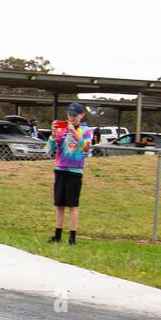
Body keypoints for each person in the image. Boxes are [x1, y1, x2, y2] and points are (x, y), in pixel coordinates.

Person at [47, 102, 94, 245]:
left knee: (72, 205)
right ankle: (57, 235)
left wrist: (75, 133)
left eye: (75, 115)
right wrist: (53, 134)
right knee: (59, 204)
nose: (71, 117)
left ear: (81, 115)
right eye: (69, 114)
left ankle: (72, 237)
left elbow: (86, 147)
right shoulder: (62, 129)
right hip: (60, 168)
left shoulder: (86, 130)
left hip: (75, 170)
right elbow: (51, 148)